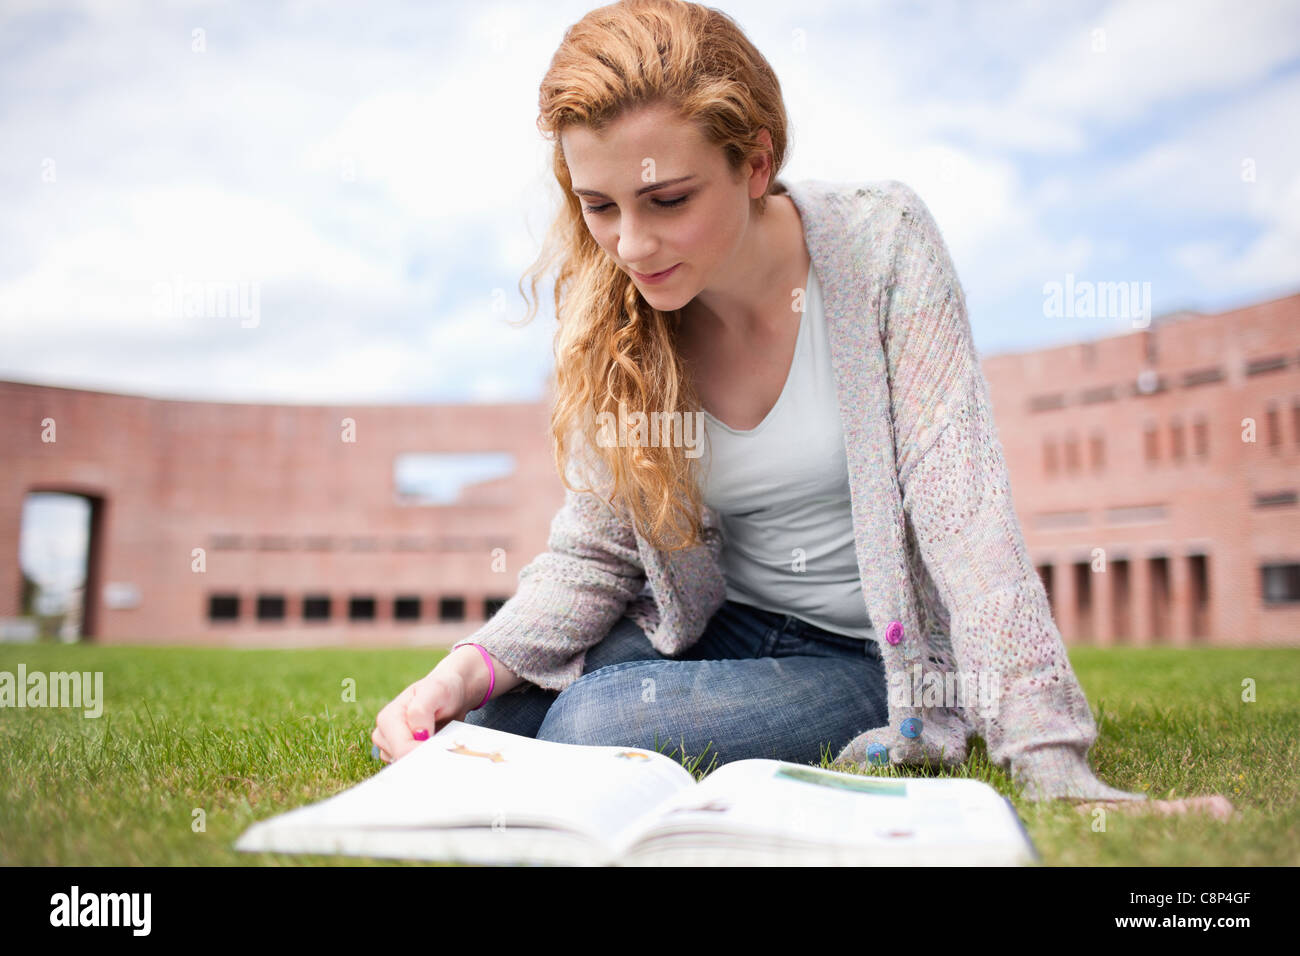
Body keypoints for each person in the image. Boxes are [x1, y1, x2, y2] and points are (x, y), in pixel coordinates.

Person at [372, 0, 1157, 806]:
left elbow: (967, 518)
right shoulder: (617, 310)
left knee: (590, 723)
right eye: (599, 206)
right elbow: (595, 555)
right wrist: (461, 667)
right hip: (724, 629)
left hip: (871, 657)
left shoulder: (882, 245)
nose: (632, 246)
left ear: (755, 162)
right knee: (490, 717)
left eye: (668, 200)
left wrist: (1052, 760)